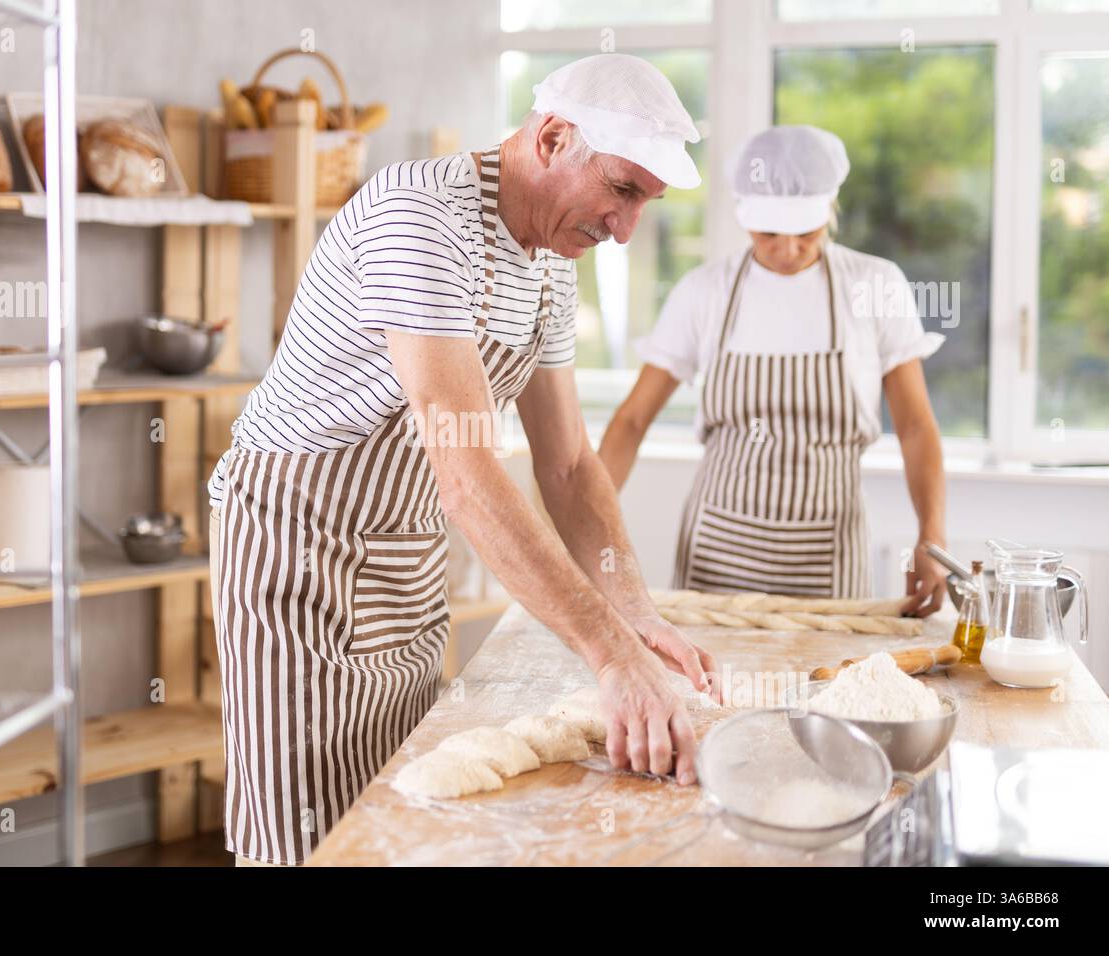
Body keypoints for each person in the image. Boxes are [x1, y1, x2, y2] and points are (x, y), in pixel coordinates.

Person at [206, 55, 721, 865]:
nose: (625, 231)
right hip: (296, 553)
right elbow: (468, 474)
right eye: (622, 192)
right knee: (306, 833)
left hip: (405, 559)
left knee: (403, 812)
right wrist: (609, 656)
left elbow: (570, 467)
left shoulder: (549, 262)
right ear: (553, 138)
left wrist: (635, 613)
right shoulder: (422, 218)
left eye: (645, 207)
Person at [599, 125, 948, 612]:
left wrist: (931, 536)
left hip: (829, 548)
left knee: (830, 683)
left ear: (829, 213)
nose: (786, 250)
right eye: (768, 234)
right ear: (744, 219)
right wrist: (587, 533)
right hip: (719, 549)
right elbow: (631, 421)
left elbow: (915, 426)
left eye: (806, 233)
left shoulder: (874, 285)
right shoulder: (705, 291)